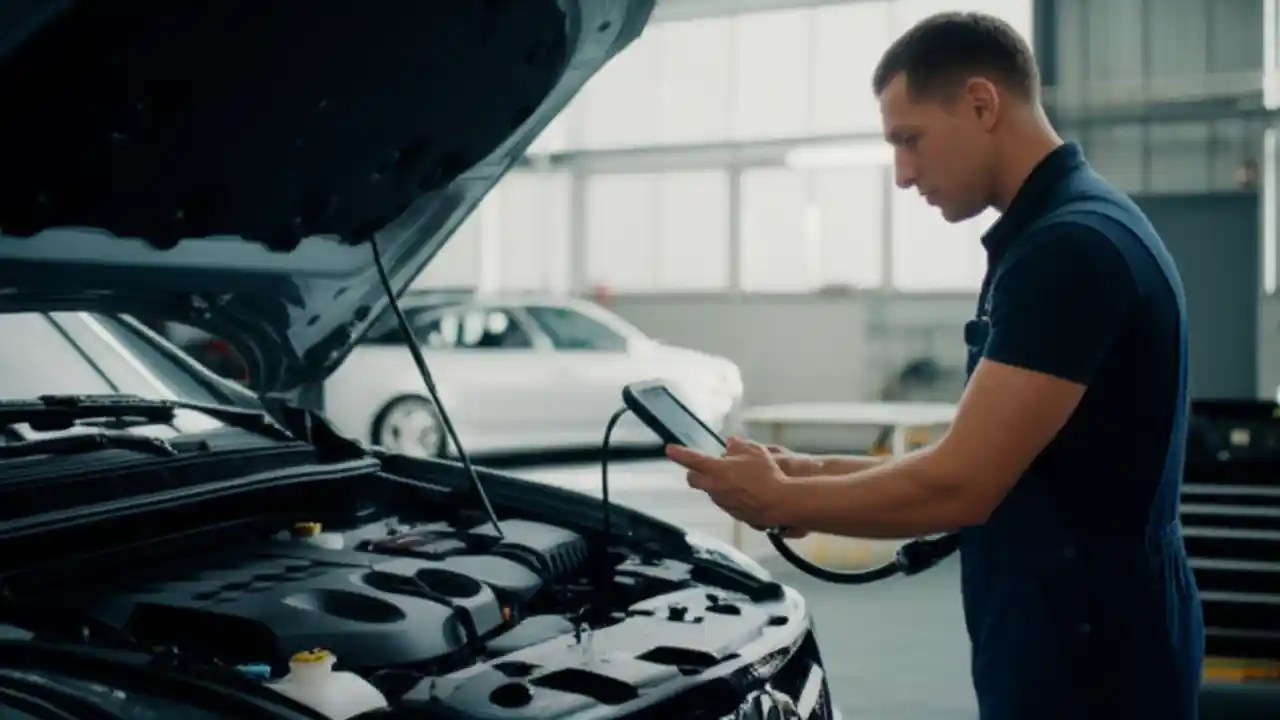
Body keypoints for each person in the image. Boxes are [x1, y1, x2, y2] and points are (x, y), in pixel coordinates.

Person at [664, 11, 1204, 720]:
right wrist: (807, 470)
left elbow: (962, 485)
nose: (902, 173)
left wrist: (781, 500)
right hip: (1083, 622)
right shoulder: (1067, 230)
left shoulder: (1067, 252)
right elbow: (984, 454)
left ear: (982, 104)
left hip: (1089, 652)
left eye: (908, 140)